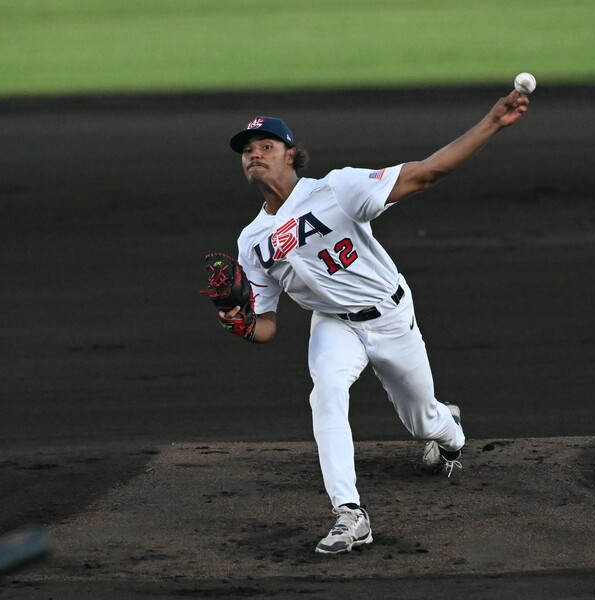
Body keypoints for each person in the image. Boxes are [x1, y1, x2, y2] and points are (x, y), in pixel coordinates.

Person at [216, 89, 529, 554]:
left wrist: (492, 122)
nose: (254, 154)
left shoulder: (337, 189)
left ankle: (449, 429)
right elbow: (265, 325)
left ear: (291, 155)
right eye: (247, 150)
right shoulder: (251, 240)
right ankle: (350, 514)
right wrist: (236, 323)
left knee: (425, 422)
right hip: (333, 326)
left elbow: (425, 175)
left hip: (390, 316)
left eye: (266, 146)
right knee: (325, 393)